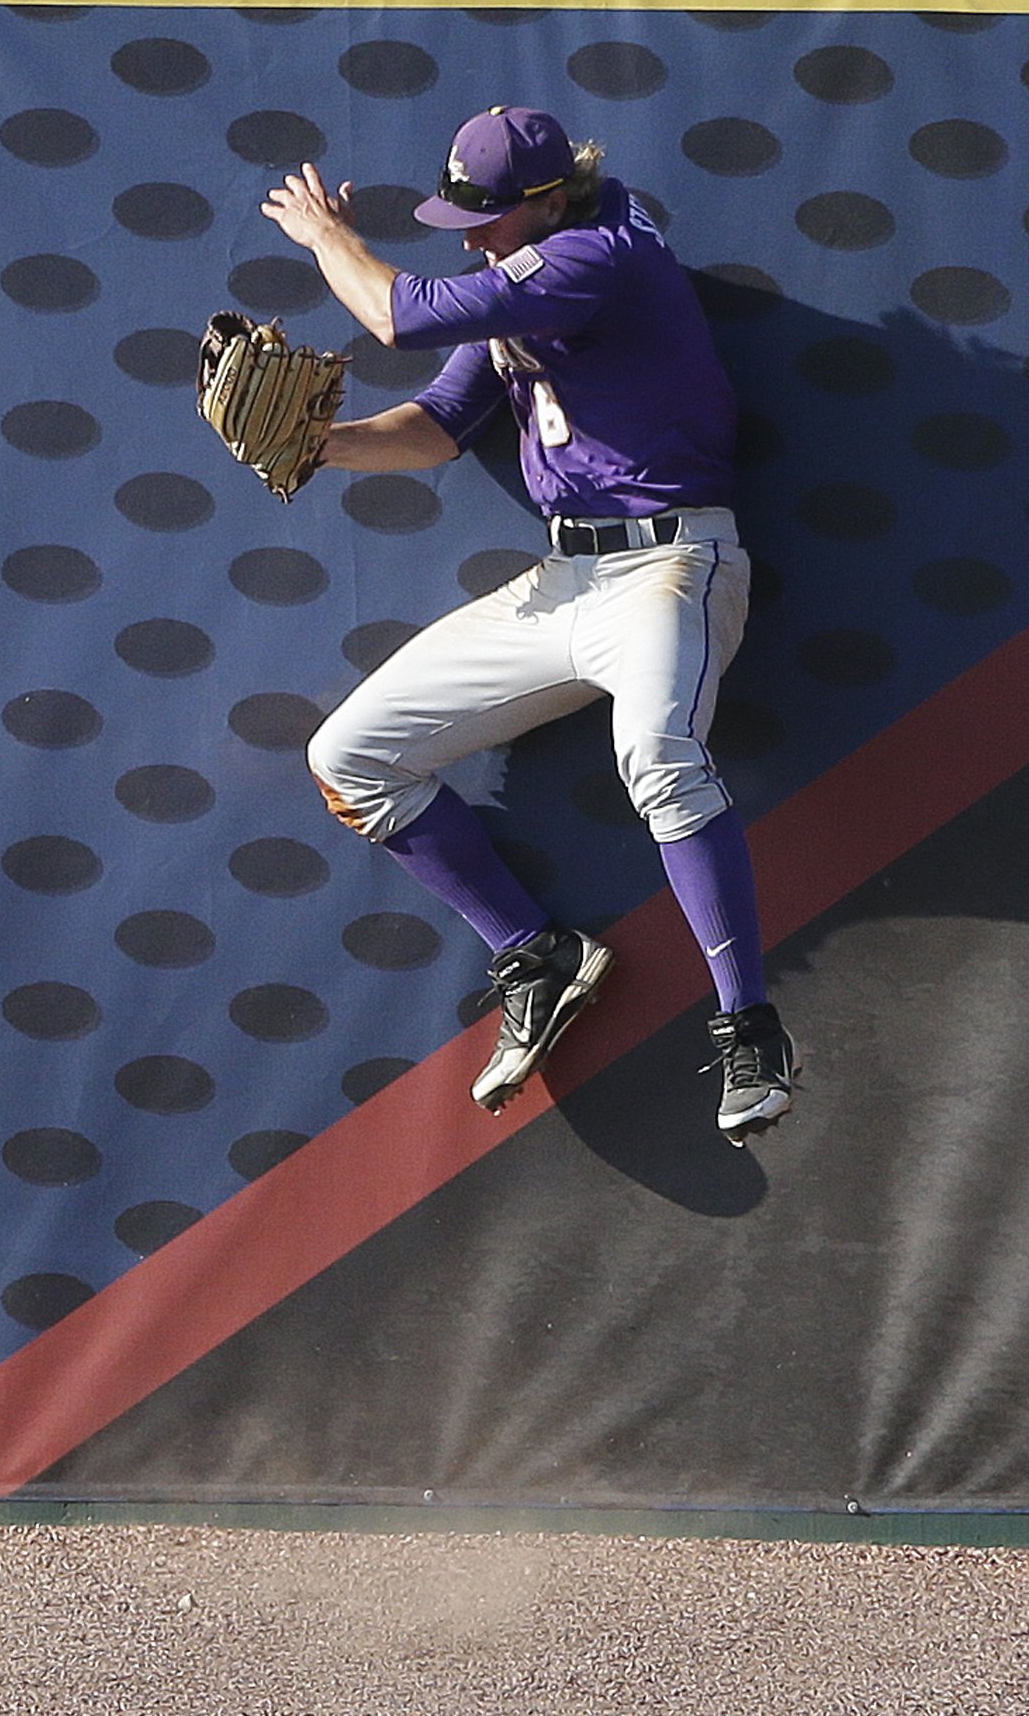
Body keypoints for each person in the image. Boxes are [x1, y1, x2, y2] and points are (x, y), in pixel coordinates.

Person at [259, 105, 795, 1145]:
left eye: (488, 217)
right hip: (565, 579)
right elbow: (428, 432)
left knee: (657, 754)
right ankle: (536, 953)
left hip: (670, 565)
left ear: (549, 199)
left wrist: (329, 237)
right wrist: (311, 442)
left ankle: (749, 1026)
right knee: (349, 757)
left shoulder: (596, 251)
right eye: (461, 215)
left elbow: (396, 315)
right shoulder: (531, 272)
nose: (468, 235)